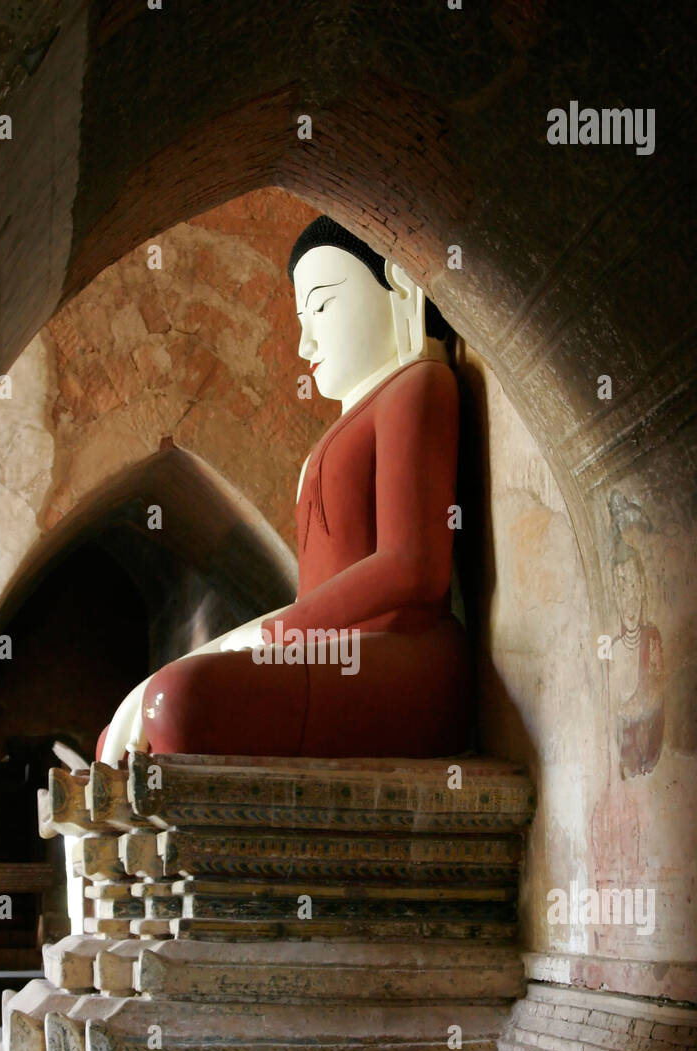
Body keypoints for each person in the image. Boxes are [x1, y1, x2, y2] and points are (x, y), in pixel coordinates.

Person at [97, 215, 473, 762]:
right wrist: (240, 642)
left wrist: (267, 638)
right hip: (333, 651)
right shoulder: (349, 424)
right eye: (302, 318)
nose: (305, 343)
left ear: (400, 286)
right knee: (127, 727)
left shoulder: (419, 386)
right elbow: (310, 596)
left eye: (321, 306)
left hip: (408, 653)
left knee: (174, 704)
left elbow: (414, 567)